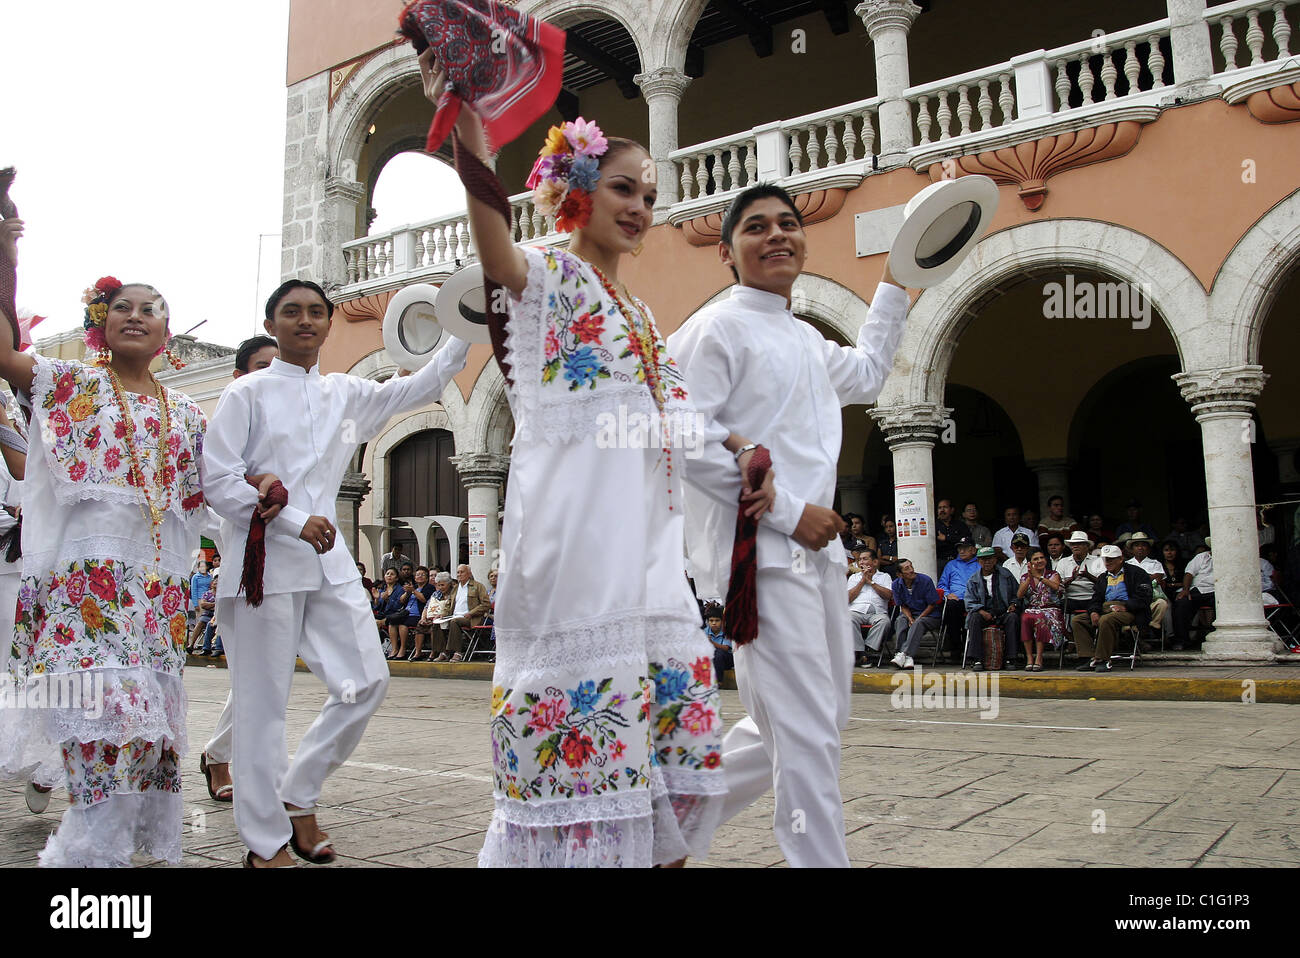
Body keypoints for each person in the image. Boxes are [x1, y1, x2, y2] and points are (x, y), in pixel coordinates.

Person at [435, 60, 734, 867]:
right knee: (585, 757)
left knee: (665, 766)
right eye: (623, 189)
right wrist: (469, 133)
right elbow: (494, 249)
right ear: (577, 190)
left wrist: (742, 460)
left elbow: (680, 428)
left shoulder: (640, 311)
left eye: (648, 195)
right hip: (573, 555)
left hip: (647, 560)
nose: (640, 207)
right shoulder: (548, 278)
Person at [672, 179, 910, 868]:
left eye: (788, 223)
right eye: (757, 227)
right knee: (807, 737)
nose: (777, 234)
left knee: (806, 726)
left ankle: (668, 827)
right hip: (763, 562)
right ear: (727, 252)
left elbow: (865, 373)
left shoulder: (804, 338)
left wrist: (898, 279)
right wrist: (784, 511)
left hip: (818, 560)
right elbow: (687, 441)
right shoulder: (715, 330)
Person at [202, 277, 469, 868]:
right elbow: (218, 480)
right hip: (262, 567)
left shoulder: (345, 393)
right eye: (291, 312)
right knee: (262, 706)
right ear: (271, 324)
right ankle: (266, 843)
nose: (305, 321)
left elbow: (421, 384)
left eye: (316, 312)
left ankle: (299, 792)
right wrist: (293, 518)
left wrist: (464, 324)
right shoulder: (245, 395)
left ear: (328, 324)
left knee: (365, 681)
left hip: (328, 566)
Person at [0, 262, 212, 866]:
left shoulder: (189, 413)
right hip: (84, 594)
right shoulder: (69, 383)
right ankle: (86, 856)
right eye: (124, 306)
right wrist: (2, 262)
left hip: (156, 602)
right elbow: (5, 357)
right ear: (102, 323)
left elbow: (222, 487)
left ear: (166, 331)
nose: (137, 314)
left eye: (152, 307)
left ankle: (99, 851)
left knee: (145, 741)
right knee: (101, 717)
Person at [196, 336, 278, 807]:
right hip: (245, 577)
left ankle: (230, 756)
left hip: (300, 575)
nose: (272, 376)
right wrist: (254, 502)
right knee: (253, 678)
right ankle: (222, 757)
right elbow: (207, 508)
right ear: (238, 377)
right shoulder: (224, 440)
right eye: (261, 367)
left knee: (268, 679)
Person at [1071, 544, 1153, 671]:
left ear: (1120, 559)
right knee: (1078, 620)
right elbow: (1096, 599)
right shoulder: (1103, 577)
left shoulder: (1137, 573)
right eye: (1105, 559)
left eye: (1111, 559)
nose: (1107, 562)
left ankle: (1103, 659)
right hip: (1106, 608)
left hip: (1129, 610)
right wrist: (1093, 611)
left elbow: (1145, 596)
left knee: (1106, 620)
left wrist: (1126, 606)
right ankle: (1089, 657)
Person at [963, 547, 1020, 671]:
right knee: (974, 618)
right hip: (984, 613)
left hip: (1003, 612)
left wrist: (1013, 604)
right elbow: (969, 602)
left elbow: (1017, 594)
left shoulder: (1006, 575)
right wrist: (981, 611)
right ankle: (976, 659)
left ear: (995, 560)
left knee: (1013, 618)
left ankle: (1010, 658)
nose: (987, 562)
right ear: (978, 561)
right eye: (983, 560)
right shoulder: (973, 580)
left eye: (989, 559)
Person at [1016, 547, 1066, 671]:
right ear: (1030, 562)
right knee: (1025, 618)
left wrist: (1039, 577)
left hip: (1050, 610)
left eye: (1041, 558)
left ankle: (1039, 657)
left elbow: (1055, 586)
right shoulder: (1024, 576)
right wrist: (1029, 578)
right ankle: (1029, 658)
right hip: (1031, 609)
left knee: (1039, 618)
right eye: (1035, 559)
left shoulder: (1053, 574)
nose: (1039, 561)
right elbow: (1019, 595)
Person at [429, 564, 490, 663]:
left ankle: (457, 652)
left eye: (462, 572)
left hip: (471, 618)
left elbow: (486, 604)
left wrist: (472, 613)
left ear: (469, 574)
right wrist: (443, 614)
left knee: (455, 621)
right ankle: (443, 652)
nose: (459, 574)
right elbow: (448, 604)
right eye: (458, 572)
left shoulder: (478, 586)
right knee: (437, 622)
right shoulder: (456, 588)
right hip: (454, 616)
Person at [890, 559, 941, 671]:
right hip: (911, 613)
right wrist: (910, 618)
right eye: (907, 568)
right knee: (900, 620)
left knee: (919, 623)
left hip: (930, 616)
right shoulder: (896, 584)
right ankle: (907, 657)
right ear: (899, 574)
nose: (912, 570)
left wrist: (917, 618)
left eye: (911, 566)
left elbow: (932, 605)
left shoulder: (925, 580)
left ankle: (903, 653)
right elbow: (902, 606)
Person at [848, 547, 893, 665]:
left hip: (877, 613)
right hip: (856, 612)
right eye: (860, 560)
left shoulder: (885, 576)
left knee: (884, 622)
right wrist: (862, 581)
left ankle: (867, 651)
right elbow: (847, 598)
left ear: (875, 562)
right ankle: (859, 651)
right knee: (847, 618)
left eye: (865, 559)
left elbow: (888, 595)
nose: (861, 562)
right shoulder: (854, 577)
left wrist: (871, 582)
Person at [373, 567, 408, 659]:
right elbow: (377, 607)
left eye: (392, 574)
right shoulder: (382, 589)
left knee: (376, 623)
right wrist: (377, 599)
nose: (389, 576)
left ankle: (386, 648)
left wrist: (388, 599)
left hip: (394, 615)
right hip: (382, 614)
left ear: (396, 578)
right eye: (387, 574)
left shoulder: (400, 589)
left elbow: (398, 606)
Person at [934, 498, 970, 571]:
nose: (942, 510)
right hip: (939, 562)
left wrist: (946, 538)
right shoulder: (933, 526)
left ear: (952, 510)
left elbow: (967, 540)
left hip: (958, 561)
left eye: (945, 507)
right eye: (940, 508)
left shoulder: (960, 525)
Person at [702, 601, 733, 685]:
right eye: (711, 621)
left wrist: (711, 642)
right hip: (712, 658)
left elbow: (726, 648)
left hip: (726, 659)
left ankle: (718, 681)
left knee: (718, 653)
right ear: (708, 622)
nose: (714, 623)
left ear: (722, 621)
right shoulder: (705, 632)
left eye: (717, 620)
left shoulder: (726, 632)